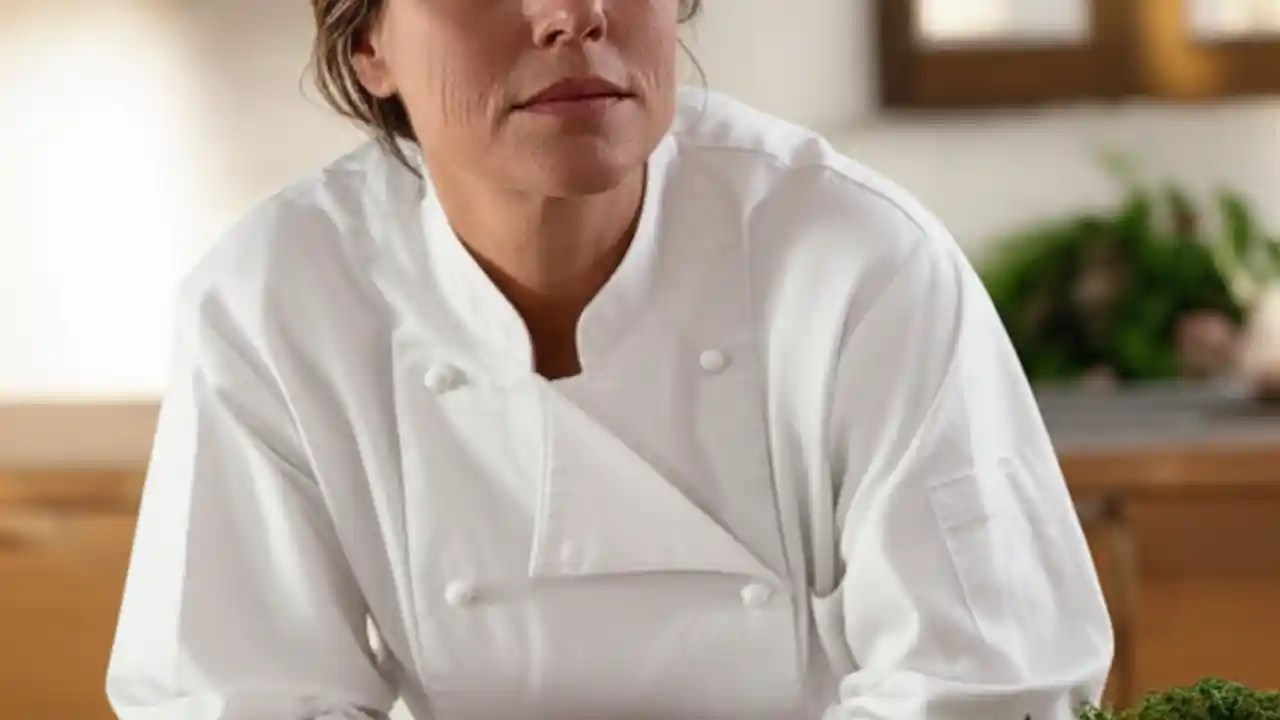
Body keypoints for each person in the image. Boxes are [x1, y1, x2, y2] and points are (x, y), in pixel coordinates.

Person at [106, 1, 1114, 718]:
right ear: (367, 41)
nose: (570, 14)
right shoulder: (273, 298)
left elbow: (988, 681)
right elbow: (231, 694)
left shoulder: (855, 258)